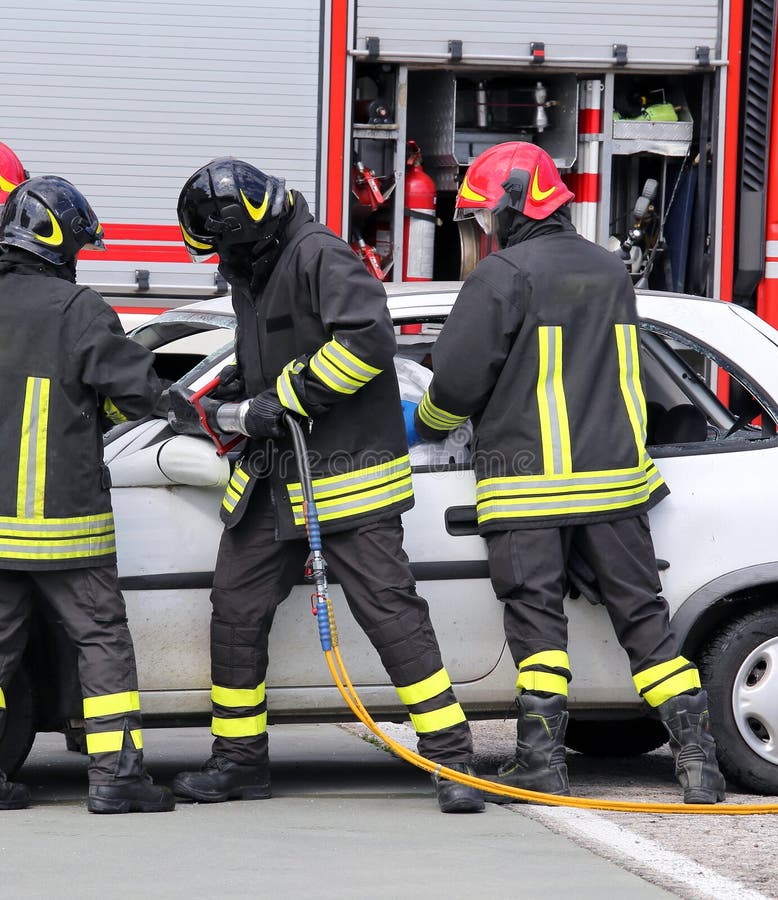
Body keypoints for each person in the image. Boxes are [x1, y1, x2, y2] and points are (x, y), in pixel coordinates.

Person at [410, 141, 725, 805]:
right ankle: (699, 764)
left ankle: (540, 765)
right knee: (644, 620)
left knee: (537, 626)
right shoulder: (609, 272)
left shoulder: (501, 277)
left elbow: (457, 383)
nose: (481, 229)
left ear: (505, 206)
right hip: (614, 484)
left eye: (482, 217)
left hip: (527, 488)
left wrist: (431, 426)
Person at [167, 157, 483, 814]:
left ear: (246, 228)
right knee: (235, 611)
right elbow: (274, 360)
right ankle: (238, 762)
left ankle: (453, 759)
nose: (218, 259)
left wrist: (285, 399)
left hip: (348, 479)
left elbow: (366, 342)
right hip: (276, 481)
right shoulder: (254, 271)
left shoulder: (318, 254)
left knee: (390, 616)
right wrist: (227, 395)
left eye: (221, 245)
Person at [0, 176, 174, 814]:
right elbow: (136, 394)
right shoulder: (79, 310)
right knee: (101, 641)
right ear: (57, 243)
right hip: (62, 523)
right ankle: (117, 778)